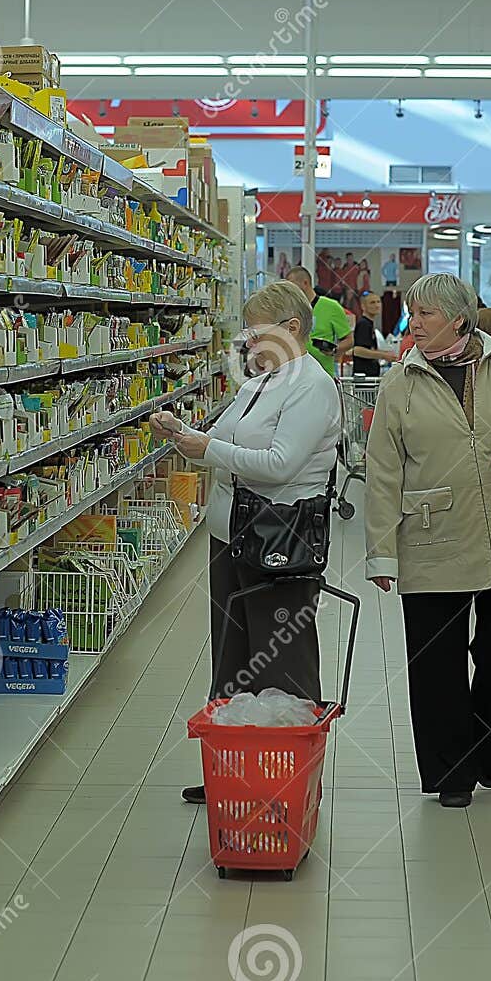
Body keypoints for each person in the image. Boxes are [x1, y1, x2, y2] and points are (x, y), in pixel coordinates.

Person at [363, 273, 491, 809]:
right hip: (432, 535)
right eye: (413, 313)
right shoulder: (400, 384)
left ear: (458, 319)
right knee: (436, 663)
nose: (414, 323)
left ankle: (484, 742)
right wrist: (381, 552)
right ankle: (451, 773)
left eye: (425, 314)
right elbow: (382, 473)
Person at [152, 280, 341, 805]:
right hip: (231, 536)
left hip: (280, 538)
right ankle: (230, 772)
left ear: (291, 328)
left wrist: (208, 449)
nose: (248, 341)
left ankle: (283, 781)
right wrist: (183, 434)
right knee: (233, 657)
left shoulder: (312, 386)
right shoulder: (260, 382)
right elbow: (225, 443)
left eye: (255, 331)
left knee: (280, 661)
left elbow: (279, 465)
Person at [286, 264, 347, 377]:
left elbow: (349, 340)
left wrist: (333, 350)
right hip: (295, 374)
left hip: (324, 374)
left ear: (305, 283)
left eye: (291, 284)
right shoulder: (290, 310)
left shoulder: (331, 307)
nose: (289, 290)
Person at [339, 290, 389, 377]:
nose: (377, 305)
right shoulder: (363, 324)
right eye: (372, 302)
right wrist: (384, 355)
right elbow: (358, 350)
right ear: (363, 306)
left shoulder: (370, 324)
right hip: (363, 376)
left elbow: (368, 348)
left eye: (378, 302)